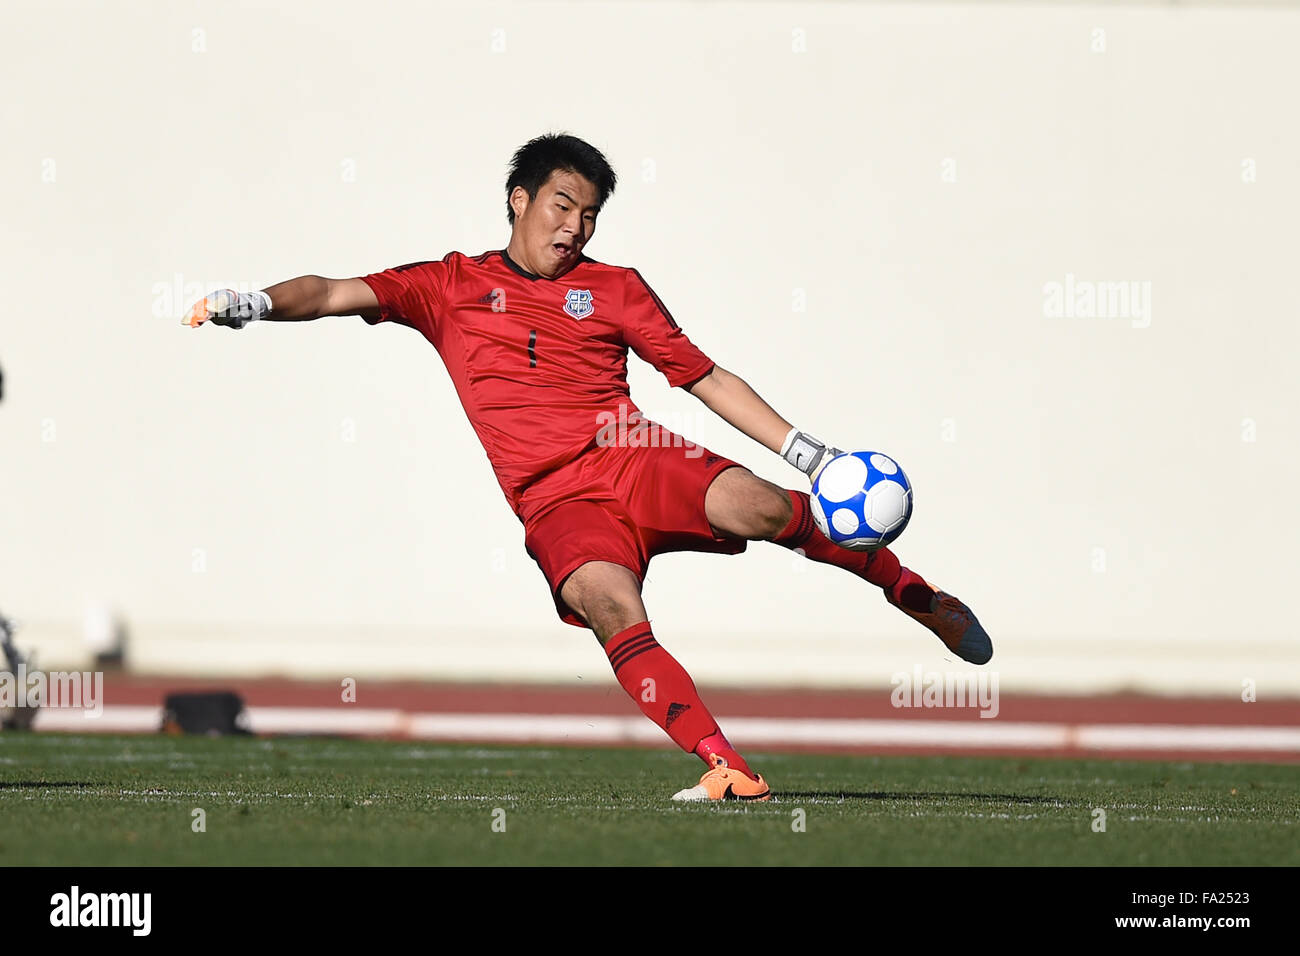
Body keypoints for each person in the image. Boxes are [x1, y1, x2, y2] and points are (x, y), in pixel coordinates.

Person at [185, 133, 991, 801]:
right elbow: (329, 291)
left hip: (634, 454)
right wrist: (251, 304)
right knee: (611, 606)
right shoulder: (448, 286)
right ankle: (726, 766)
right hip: (555, 501)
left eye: (591, 215)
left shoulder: (615, 289)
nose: (575, 227)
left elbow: (702, 376)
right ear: (519, 200)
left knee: (764, 509)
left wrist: (806, 452)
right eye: (563, 205)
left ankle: (917, 595)